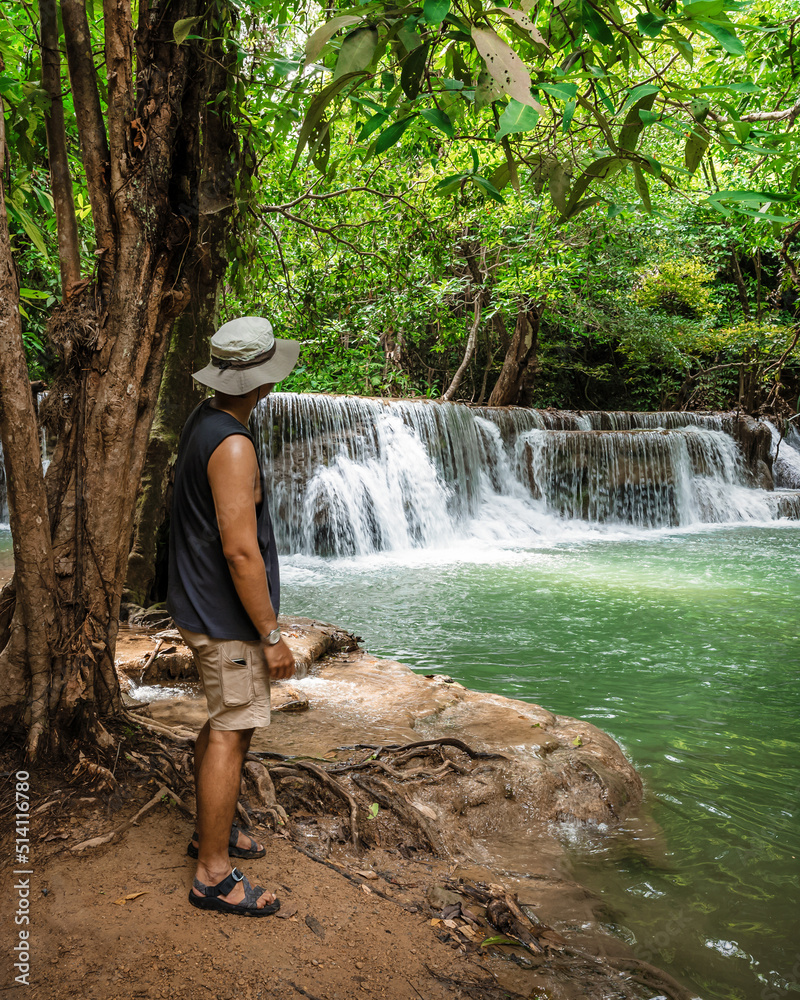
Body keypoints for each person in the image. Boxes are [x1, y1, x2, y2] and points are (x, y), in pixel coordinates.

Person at [166, 316, 300, 916]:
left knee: (223, 720)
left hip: (200, 604)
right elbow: (241, 550)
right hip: (227, 621)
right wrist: (270, 634)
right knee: (232, 729)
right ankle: (213, 875)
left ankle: (208, 833)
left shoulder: (205, 421)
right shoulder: (235, 444)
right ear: (261, 382)